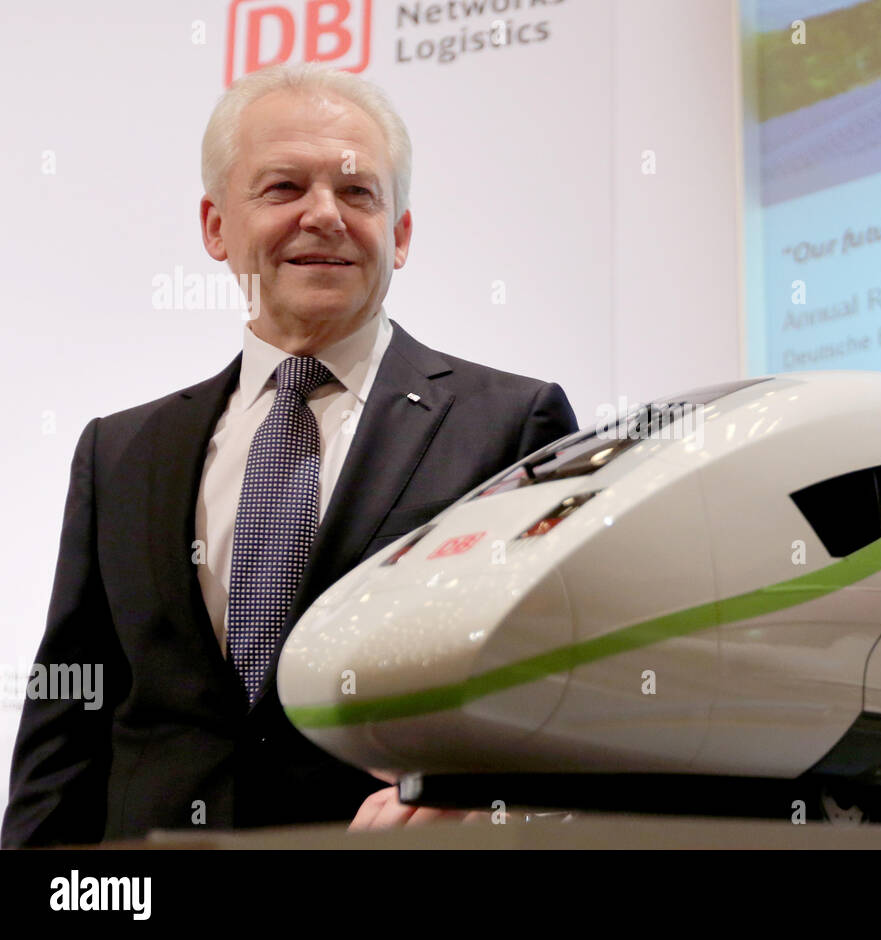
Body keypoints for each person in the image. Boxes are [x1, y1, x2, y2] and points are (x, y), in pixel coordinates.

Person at [2, 63, 578, 847]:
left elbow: (561, 693)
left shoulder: (510, 425)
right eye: (282, 189)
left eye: (358, 193)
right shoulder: (121, 451)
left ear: (400, 234)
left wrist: (472, 798)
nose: (324, 216)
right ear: (215, 228)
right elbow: (69, 726)